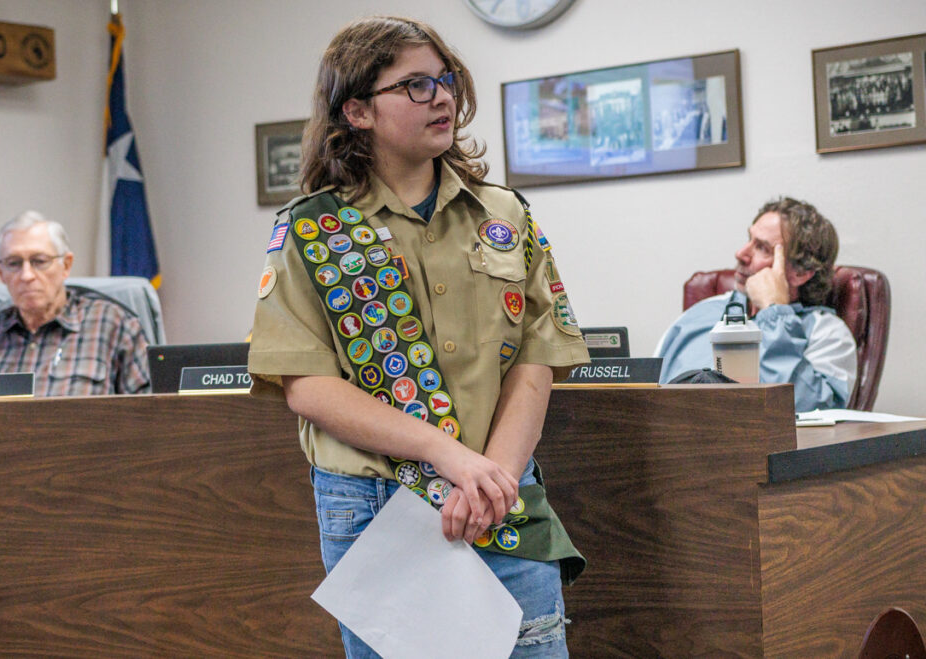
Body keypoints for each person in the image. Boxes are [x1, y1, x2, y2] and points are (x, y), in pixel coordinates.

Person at [248, 16, 589, 657]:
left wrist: (493, 479)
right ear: (357, 111)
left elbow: (538, 358)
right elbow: (308, 387)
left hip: (500, 499)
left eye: (446, 80)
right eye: (415, 85)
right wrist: (449, 457)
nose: (442, 97)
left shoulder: (504, 215)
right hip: (377, 505)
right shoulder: (313, 231)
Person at [656, 197, 857, 412]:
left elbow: (804, 409)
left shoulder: (828, 334)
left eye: (762, 248)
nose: (741, 254)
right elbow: (646, 394)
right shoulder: (700, 314)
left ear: (801, 272)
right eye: (749, 240)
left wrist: (775, 311)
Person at [0, 210, 151, 396]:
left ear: (66, 265)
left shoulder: (114, 326)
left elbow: (149, 412)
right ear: (0, 271)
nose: (26, 275)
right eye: (13, 263)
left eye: (39, 261)